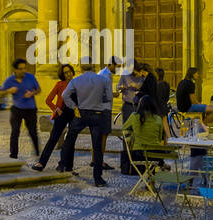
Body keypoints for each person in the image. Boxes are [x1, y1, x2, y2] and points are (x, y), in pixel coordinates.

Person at [57, 57, 118, 186]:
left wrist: (74, 107)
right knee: (97, 146)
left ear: (80, 67)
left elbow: (64, 95)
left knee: (69, 139)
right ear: (93, 65)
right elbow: (109, 97)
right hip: (97, 114)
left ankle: (62, 164)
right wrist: (102, 108)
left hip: (81, 114)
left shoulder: (76, 81)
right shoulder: (103, 80)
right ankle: (98, 178)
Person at [31, 63, 76, 171]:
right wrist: (56, 109)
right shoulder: (59, 84)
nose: (68, 74)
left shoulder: (77, 83)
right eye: (66, 72)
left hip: (74, 113)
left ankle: (66, 165)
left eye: (69, 71)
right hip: (62, 114)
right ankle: (41, 163)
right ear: (62, 74)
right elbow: (48, 100)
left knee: (71, 141)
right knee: (53, 139)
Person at [1, 58, 40, 159]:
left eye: (24, 68)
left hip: (31, 108)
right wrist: (9, 90)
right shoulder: (9, 80)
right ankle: (13, 155)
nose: (23, 71)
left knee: (32, 131)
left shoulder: (30, 77)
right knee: (15, 131)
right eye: (21, 69)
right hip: (17, 109)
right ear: (15, 70)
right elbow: (0, 92)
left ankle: (37, 152)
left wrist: (32, 93)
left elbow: (38, 89)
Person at [122, 93, 168, 166]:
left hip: (139, 154)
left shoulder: (135, 116)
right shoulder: (158, 119)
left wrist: (133, 133)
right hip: (156, 155)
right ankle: (161, 166)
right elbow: (160, 138)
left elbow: (124, 128)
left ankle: (148, 174)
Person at [117, 62, 145, 175]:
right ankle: (127, 159)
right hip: (128, 105)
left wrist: (137, 87)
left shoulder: (141, 76)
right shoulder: (124, 74)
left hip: (139, 106)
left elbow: (144, 88)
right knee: (127, 132)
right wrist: (122, 87)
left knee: (139, 132)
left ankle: (138, 159)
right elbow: (118, 87)